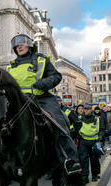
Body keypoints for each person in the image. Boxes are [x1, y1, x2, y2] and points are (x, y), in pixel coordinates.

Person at [6, 34, 81, 175]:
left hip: (40, 98)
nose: (19, 47)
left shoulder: (41, 59)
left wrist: (42, 84)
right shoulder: (11, 66)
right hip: (18, 102)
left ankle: (71, 160)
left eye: (22, 44)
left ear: (29, 45)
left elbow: (56, 76)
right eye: (16, 45)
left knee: (59, 123)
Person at [74, 104, 105, 184]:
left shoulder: (97, 119)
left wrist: (101, 136)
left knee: (94, 160)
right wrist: (78, 136)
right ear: (84, 110)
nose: (87, 110)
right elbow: (75, 129)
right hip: (83, 142)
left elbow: (102, 129)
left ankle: (95, 175)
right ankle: (85, 176)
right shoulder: (79, 118)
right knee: (83, 160)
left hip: (94, 142)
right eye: (85, 109)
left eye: (89, 109)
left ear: (92, 110)